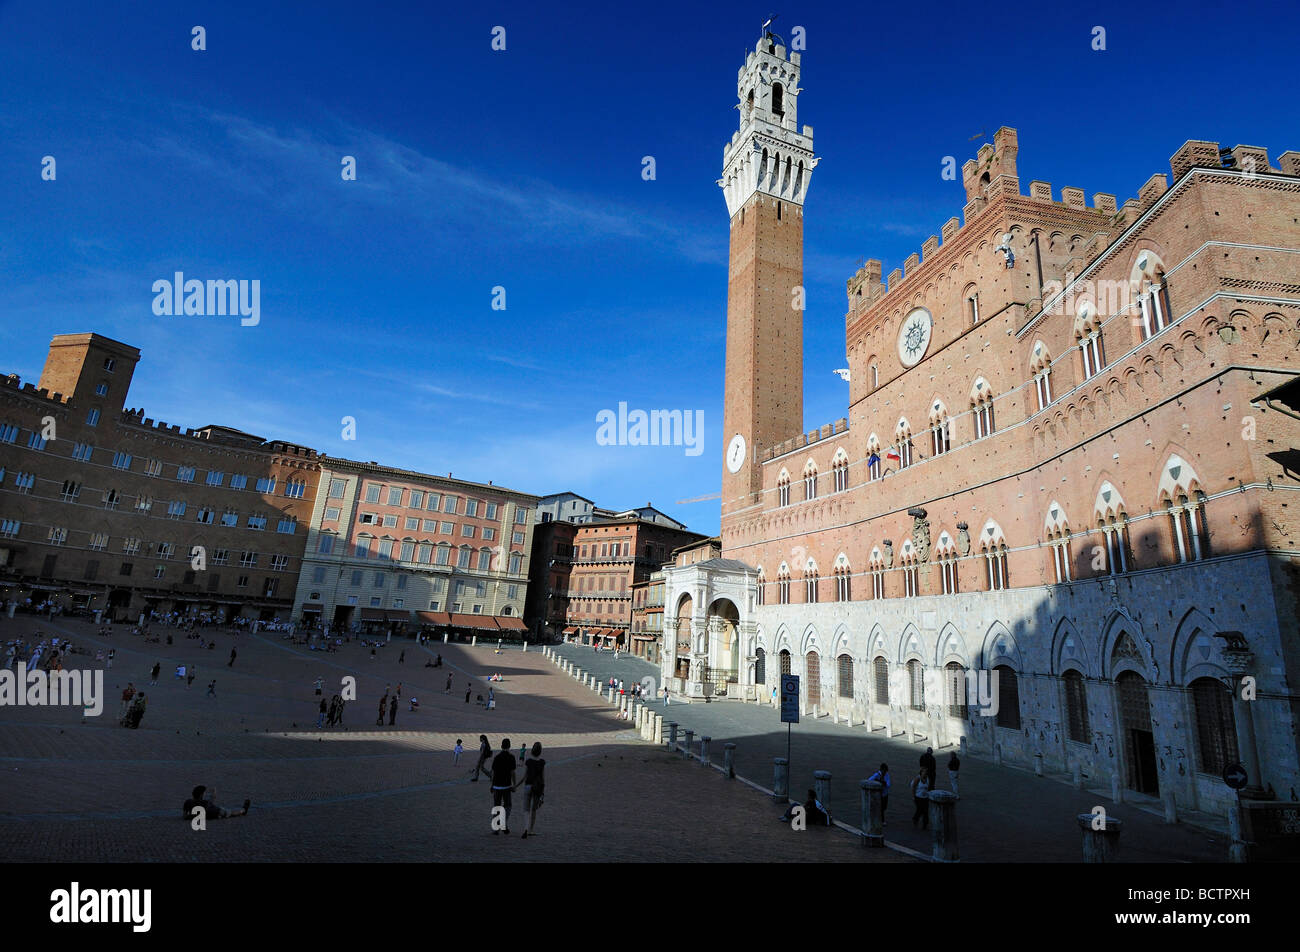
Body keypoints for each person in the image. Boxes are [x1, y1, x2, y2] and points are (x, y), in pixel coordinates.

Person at [517, 741, 545, 838]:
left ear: (532, 750)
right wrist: (543, 793)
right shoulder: (542, 763)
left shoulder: (528, 762)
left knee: (526, 809)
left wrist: (516, 786)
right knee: (534, 810)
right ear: (540, 751)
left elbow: (524, 777)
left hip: (528, 786)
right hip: (537, 787)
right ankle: (531, 830)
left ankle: (525, 827)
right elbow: (543, 779)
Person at [490, 739, 518, 835]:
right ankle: (503, 823)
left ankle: (495, 828)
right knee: (508, 805)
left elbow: (493, 773)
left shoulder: (497, 757)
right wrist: (514, 784)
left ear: (501, 746)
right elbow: (513, 772)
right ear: (509, 746)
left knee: (496, 806)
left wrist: (492, 785)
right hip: (506, 786)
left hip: (497, 785)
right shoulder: (511, 757)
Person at [182, 785, 250, 820]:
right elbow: (209, 804)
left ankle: (243, 810)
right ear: (201, 795)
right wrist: (213, 795)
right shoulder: (204, 802)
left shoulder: (188, 802)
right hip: (215, 812)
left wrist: (191, 816)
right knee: (230, 812)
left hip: (212, 813)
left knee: (228, 811)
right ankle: (243, 811)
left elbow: (185, 816)